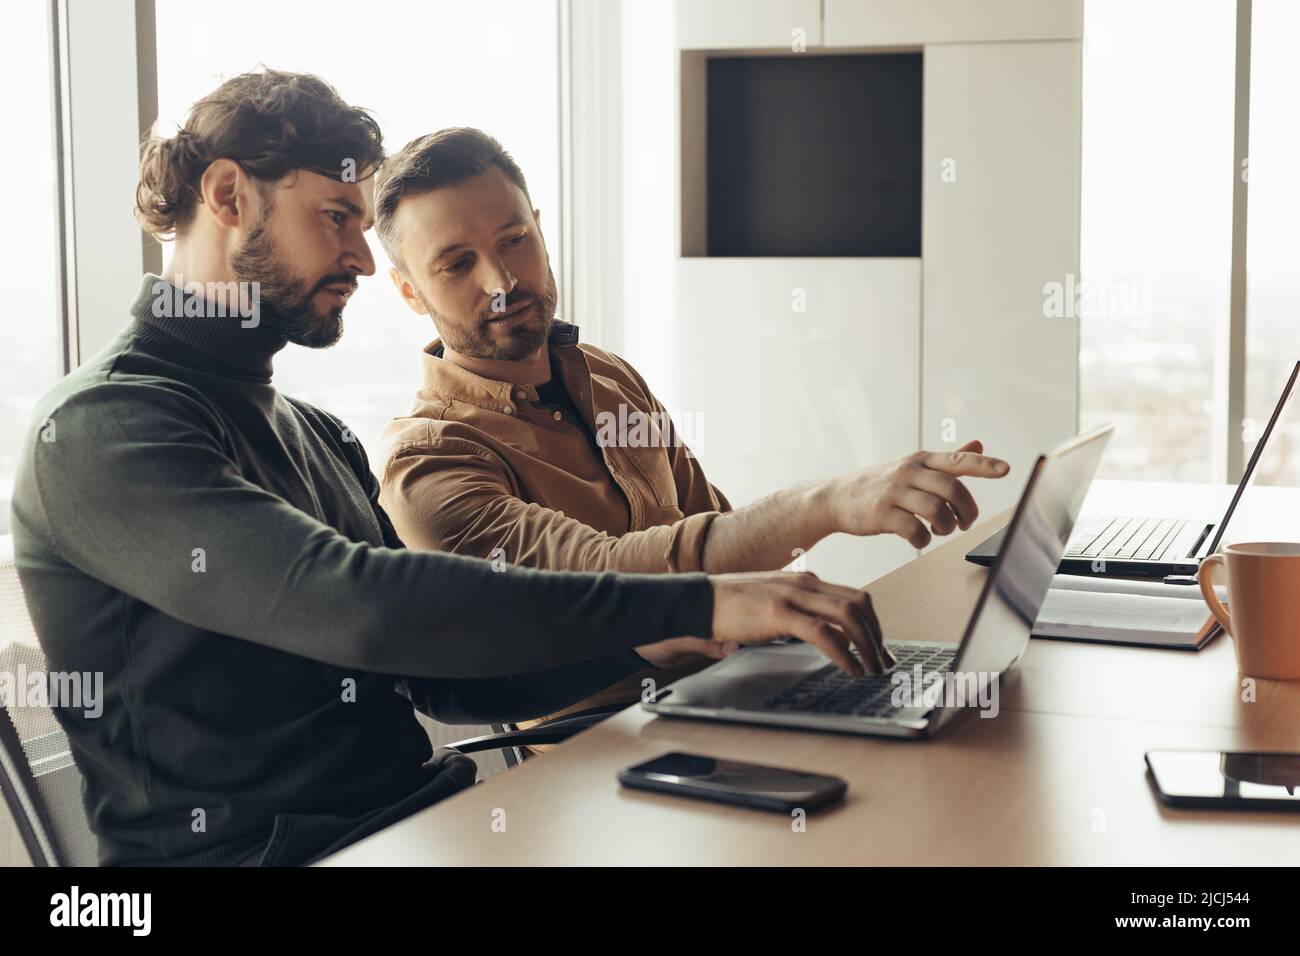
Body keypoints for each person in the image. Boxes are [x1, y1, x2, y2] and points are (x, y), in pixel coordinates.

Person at [9, 71, 888, 866]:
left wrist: (653, 636)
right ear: (229, 193)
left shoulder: (312, 433)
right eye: (336, 218)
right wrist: (697, 596)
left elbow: (445, 678)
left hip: (417, 826)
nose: (358, 255)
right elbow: (358, 607)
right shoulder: (105, 428)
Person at [373, 128, 1010, 745]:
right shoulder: (428, 463)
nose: (502, 280)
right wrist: (826, 504)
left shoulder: (609, 378)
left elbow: (724, 537)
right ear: (409, 291)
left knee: (980, 726)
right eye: (458, 264)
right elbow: (605, 583)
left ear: (539, 228)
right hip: (612, 756)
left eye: (514, 240)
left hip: (739, 693)